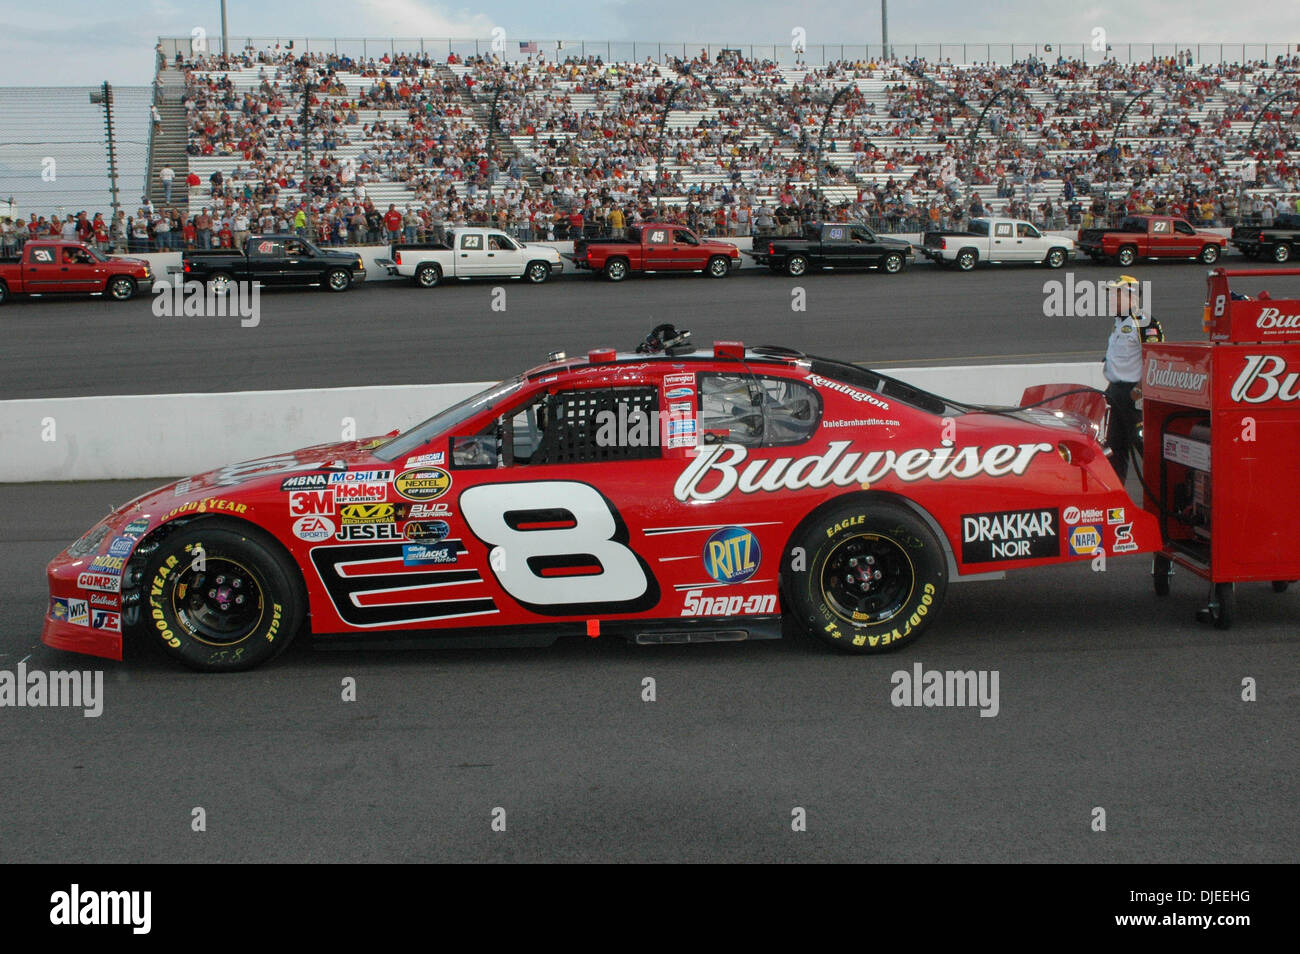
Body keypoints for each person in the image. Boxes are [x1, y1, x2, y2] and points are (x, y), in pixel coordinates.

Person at [1102, 275, 1163, 484]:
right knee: (1115, 449)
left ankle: (1162, 497)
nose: (1110, 300)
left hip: (1134, 397)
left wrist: (1139, 390)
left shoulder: (1145, 322)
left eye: (1115, 295)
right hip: (1115, 393)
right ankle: (1117, 499)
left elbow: (1156, 360)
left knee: (1147, 450)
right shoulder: (1119, 322)